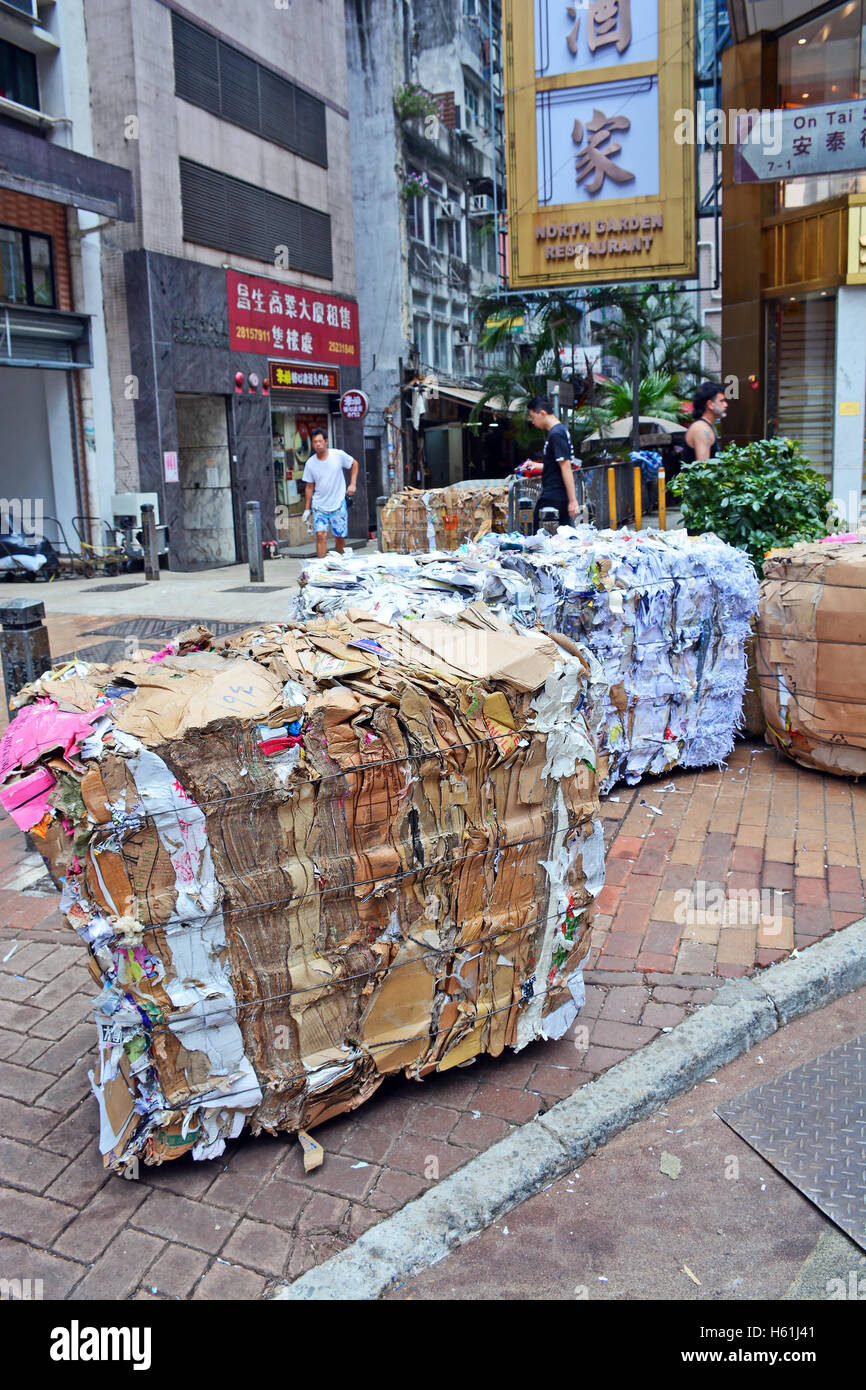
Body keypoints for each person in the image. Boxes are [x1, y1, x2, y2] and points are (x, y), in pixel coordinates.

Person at [302, 428, 359, 557]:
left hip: (338, 503)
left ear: (326, 441)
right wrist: (306, 509)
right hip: (319, 505)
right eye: (315, 442)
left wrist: (353, 484)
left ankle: (340, 564)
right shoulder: (310, 463)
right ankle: (321, 566)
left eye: (320, 441)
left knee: (339, 537)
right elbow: (309, 486)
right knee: (320, 535)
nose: (318, 444)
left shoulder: (338, 455)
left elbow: (354, 464)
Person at [526, 395, 580, 530]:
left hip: (555, 494)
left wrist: (573, 501)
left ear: (542, 413)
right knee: (561, 537)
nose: (532, 421)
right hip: (557, 493)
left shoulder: (557, 433)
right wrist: (536, 465)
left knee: (540, 537)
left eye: (533, 416)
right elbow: (557, 464)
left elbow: (566, 466)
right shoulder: (558, 432)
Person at [682, 381, 728, 463]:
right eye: (721, 401)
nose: (726, 405)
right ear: (710, 404)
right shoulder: (701, 429)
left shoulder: (706, 426)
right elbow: (704, 470)